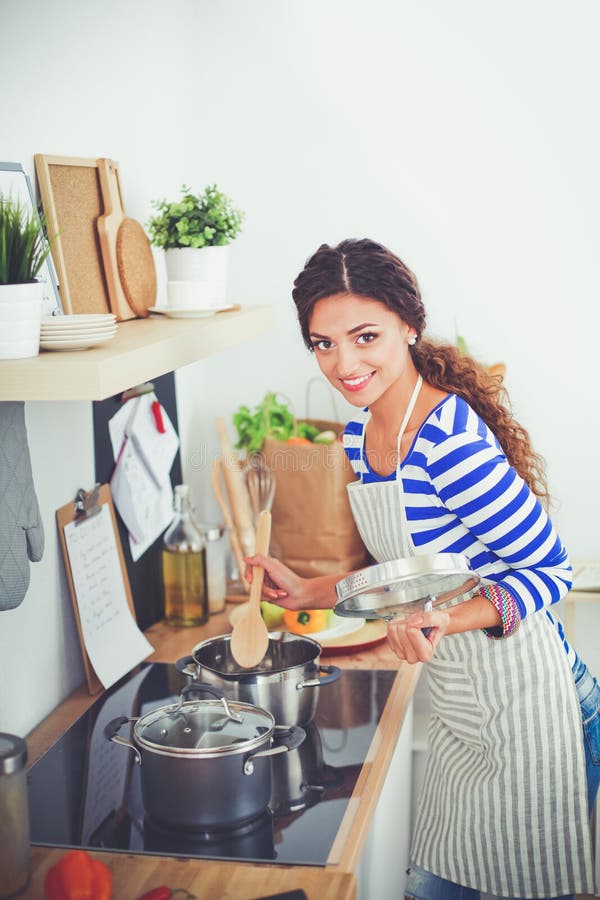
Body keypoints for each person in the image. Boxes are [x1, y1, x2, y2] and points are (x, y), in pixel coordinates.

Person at [244, 237, 599, 899]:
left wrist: (446, 619)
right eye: (323, 344)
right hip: (466, 712)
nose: (344, 363)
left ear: (409, 326)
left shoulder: (447, 440)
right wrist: (313, 587)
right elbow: (406, 571)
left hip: (534, 711)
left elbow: (552, 570)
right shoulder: (362, 431)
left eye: (365, 336)